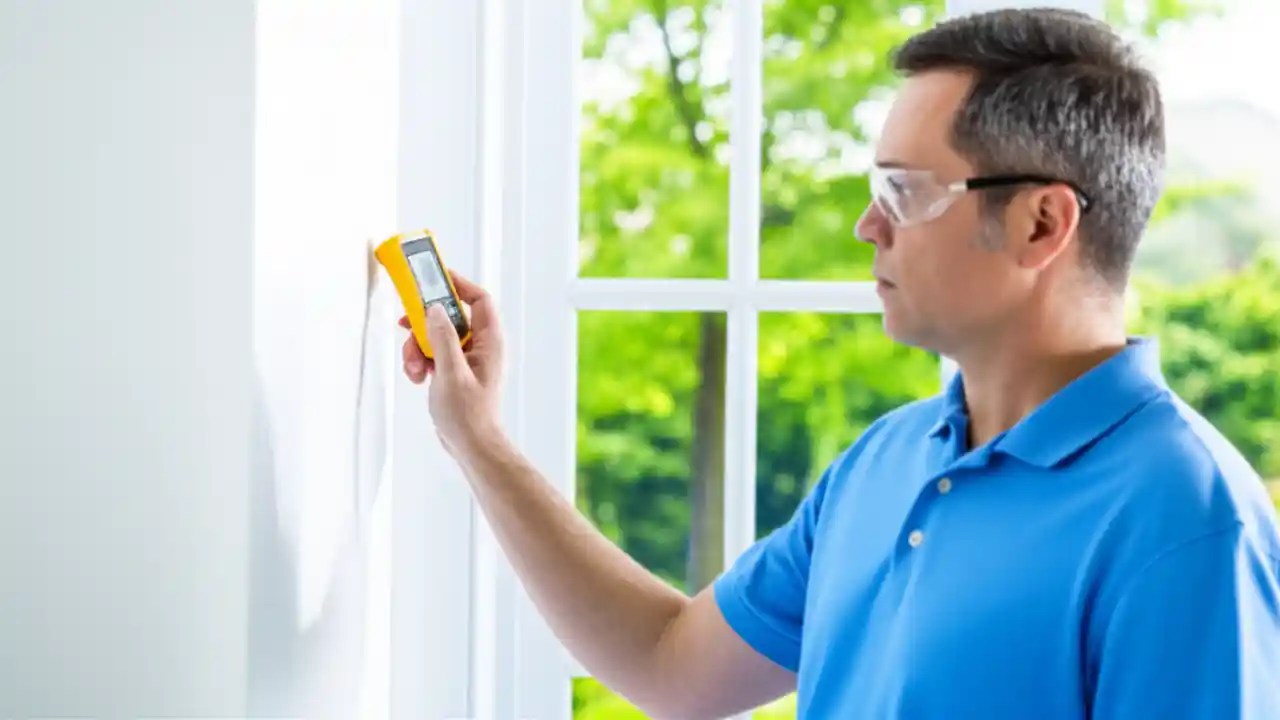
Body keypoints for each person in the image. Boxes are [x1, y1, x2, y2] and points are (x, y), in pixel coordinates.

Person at [400, 8, 1280, 719]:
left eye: (904, 191)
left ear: (1042, 224)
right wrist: (478, 439)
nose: (869, 227)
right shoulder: (886, 462)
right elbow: (673, 668)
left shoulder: (1190, 523)